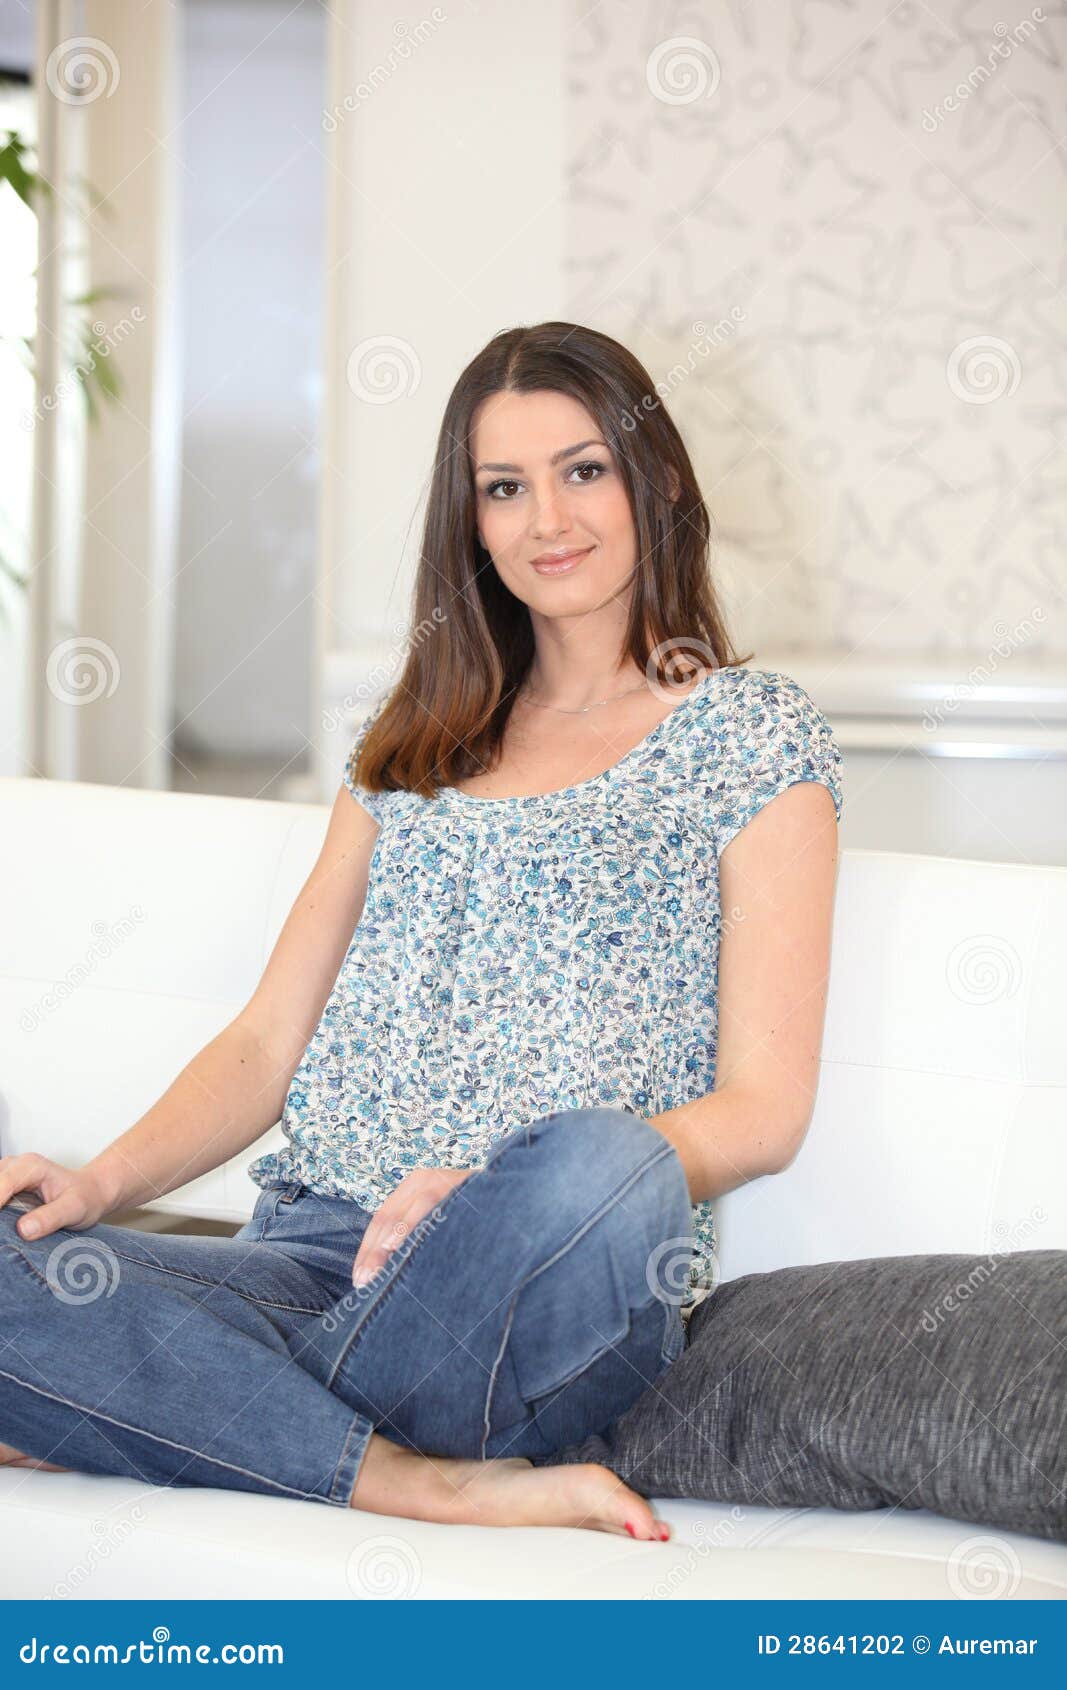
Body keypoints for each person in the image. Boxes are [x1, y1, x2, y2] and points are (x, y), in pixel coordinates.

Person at [0, 322, 843, 1544]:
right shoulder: (412, 740)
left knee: (598, 1162)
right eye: (504, 487)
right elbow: (265, 1042)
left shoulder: (753, 734)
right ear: (473, 522)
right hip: (307, 1258)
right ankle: (409, 1475)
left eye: (582, 469)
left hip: (526, 1271)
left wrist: (485, 1197)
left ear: (656, 479)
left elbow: (762, 1111)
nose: (545, 517)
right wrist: (97, 1182)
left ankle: (168, 1407)